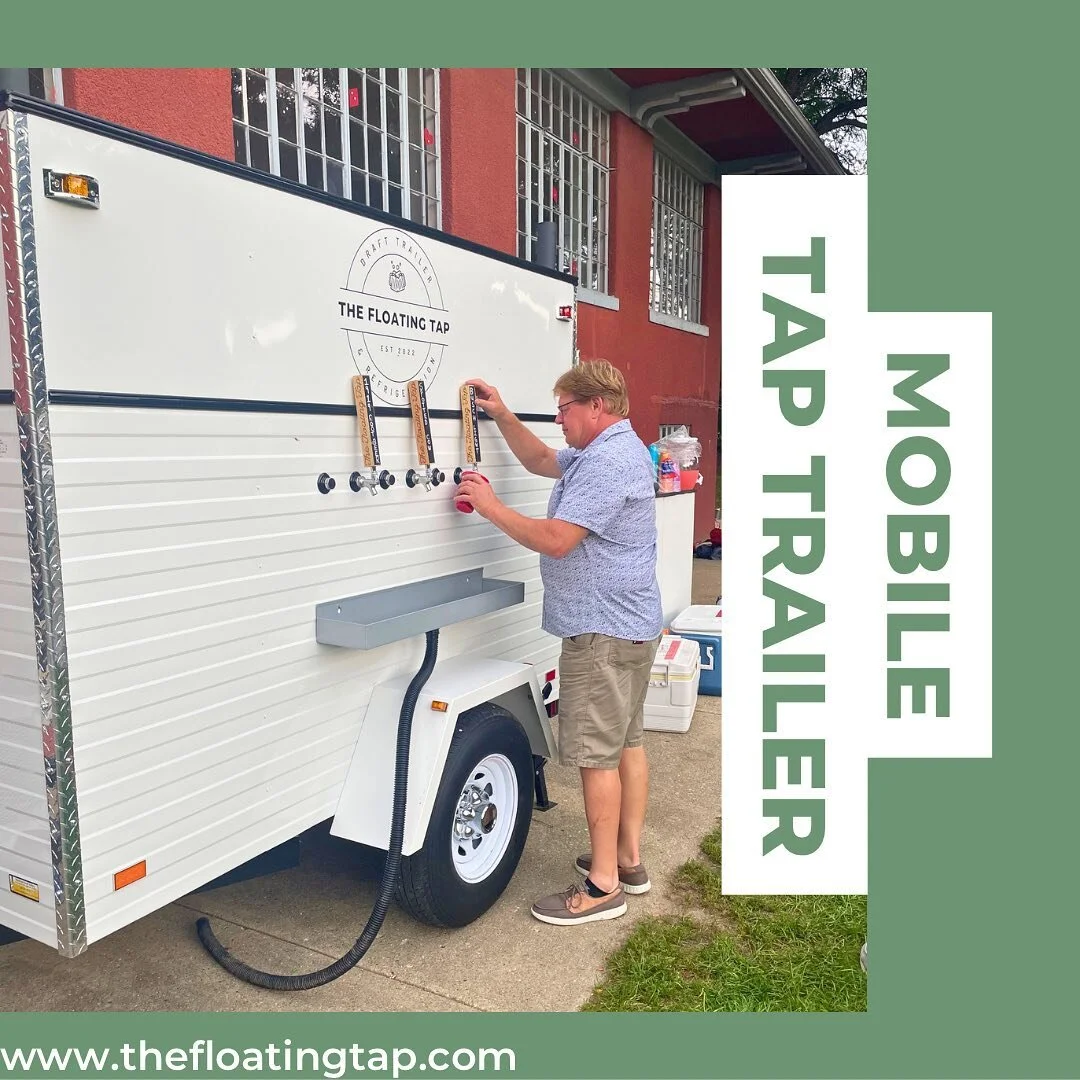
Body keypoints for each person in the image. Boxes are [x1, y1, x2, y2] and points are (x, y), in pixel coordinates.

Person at [456, 360, 663, 926]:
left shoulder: (608, 462)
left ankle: (602, 888)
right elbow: (541, 460)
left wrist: (490, 506)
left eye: (564, 408)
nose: (559, 419)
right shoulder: (611, 452)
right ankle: (627, 859)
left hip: (601, 633)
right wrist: (500, 415)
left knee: (596, 757)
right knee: (627, 744)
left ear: (597, 405)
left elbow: (557, 541)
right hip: (630, 626)